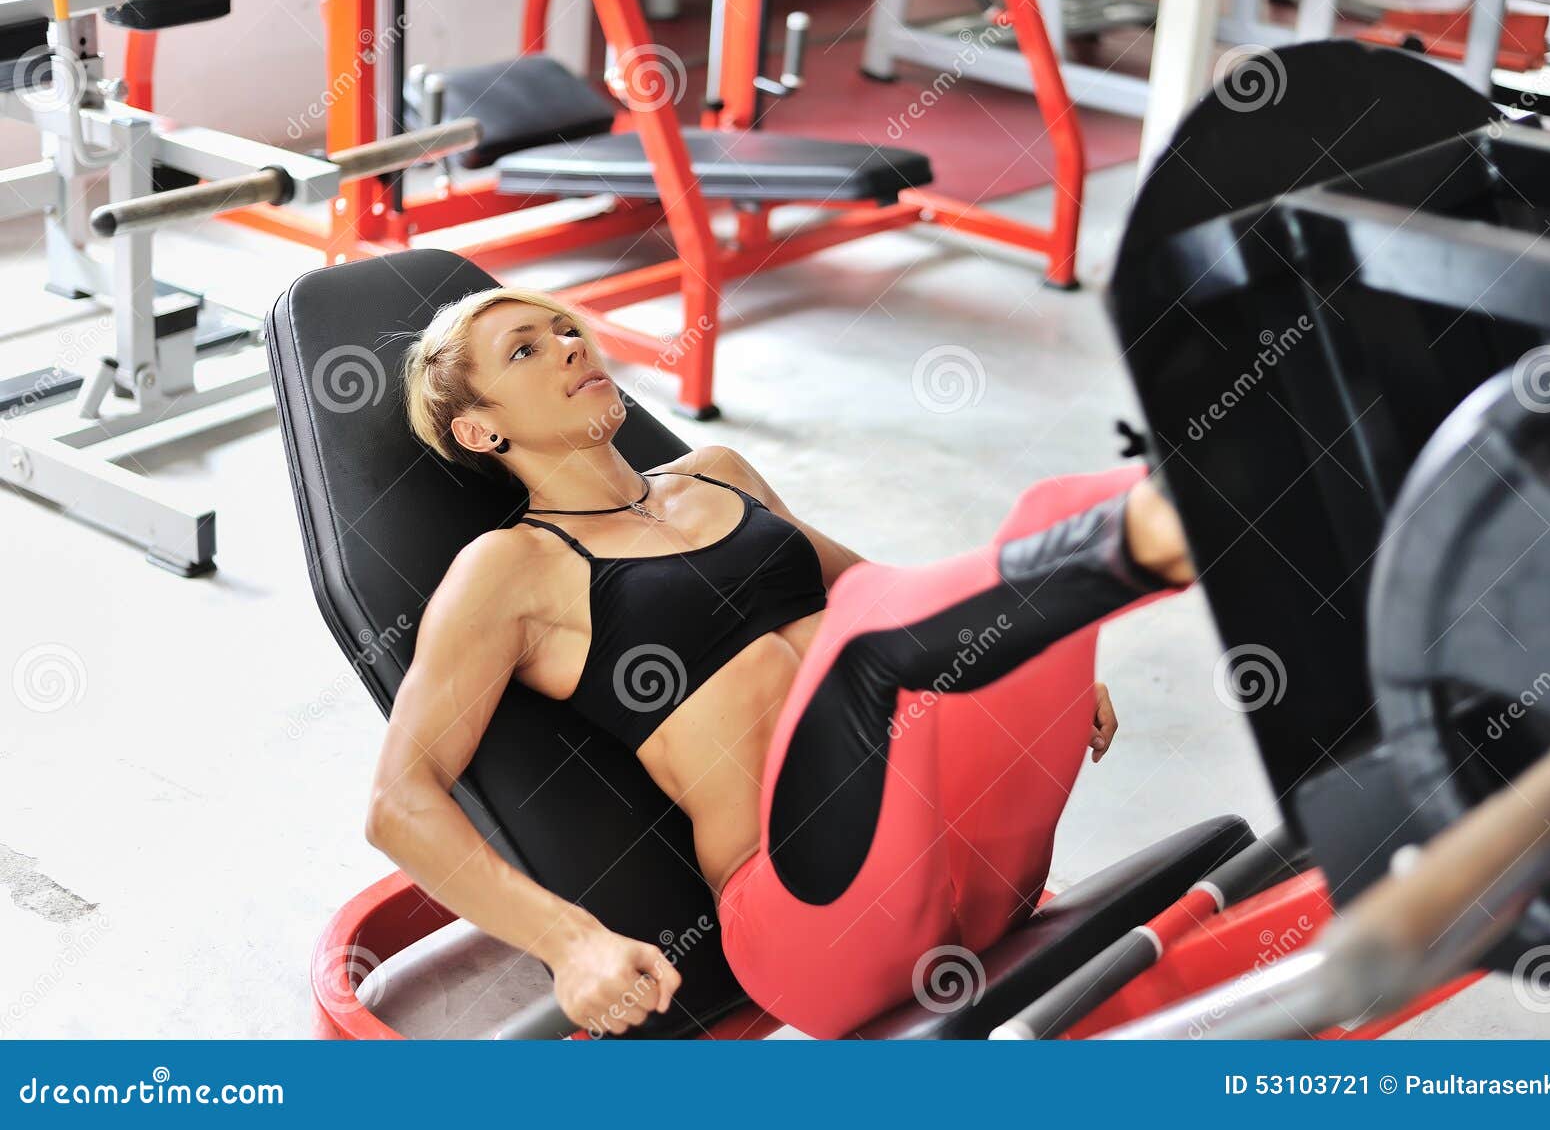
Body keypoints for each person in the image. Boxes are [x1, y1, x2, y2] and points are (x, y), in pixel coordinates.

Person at [366, 287, 1196, 1038]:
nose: (570, 346)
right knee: (907, 622)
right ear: (481, 430)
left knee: (986, 570)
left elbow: (884, 589)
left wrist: (1027, 648)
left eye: (565, 328)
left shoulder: (719, 476)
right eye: (525, 350)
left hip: (967, 862)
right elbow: (399, 803)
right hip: (812, 920)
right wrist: (572, 942)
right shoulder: (510, 568)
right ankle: (1137, 537)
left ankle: (1157, 530)